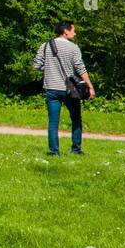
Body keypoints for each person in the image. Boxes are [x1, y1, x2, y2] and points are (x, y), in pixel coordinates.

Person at [34, 21, 96, 156]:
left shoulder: (45, 46)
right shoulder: (73, 48)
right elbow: (80, 68)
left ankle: (54, 151)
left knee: (53, 122)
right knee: (76, 119)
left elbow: (37, 65)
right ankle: (76, 150)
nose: (75, 33)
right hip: (70, 89)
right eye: (73, 30)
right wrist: (90, 87)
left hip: (51, 88)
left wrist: (50, 69)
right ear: (65, 31)